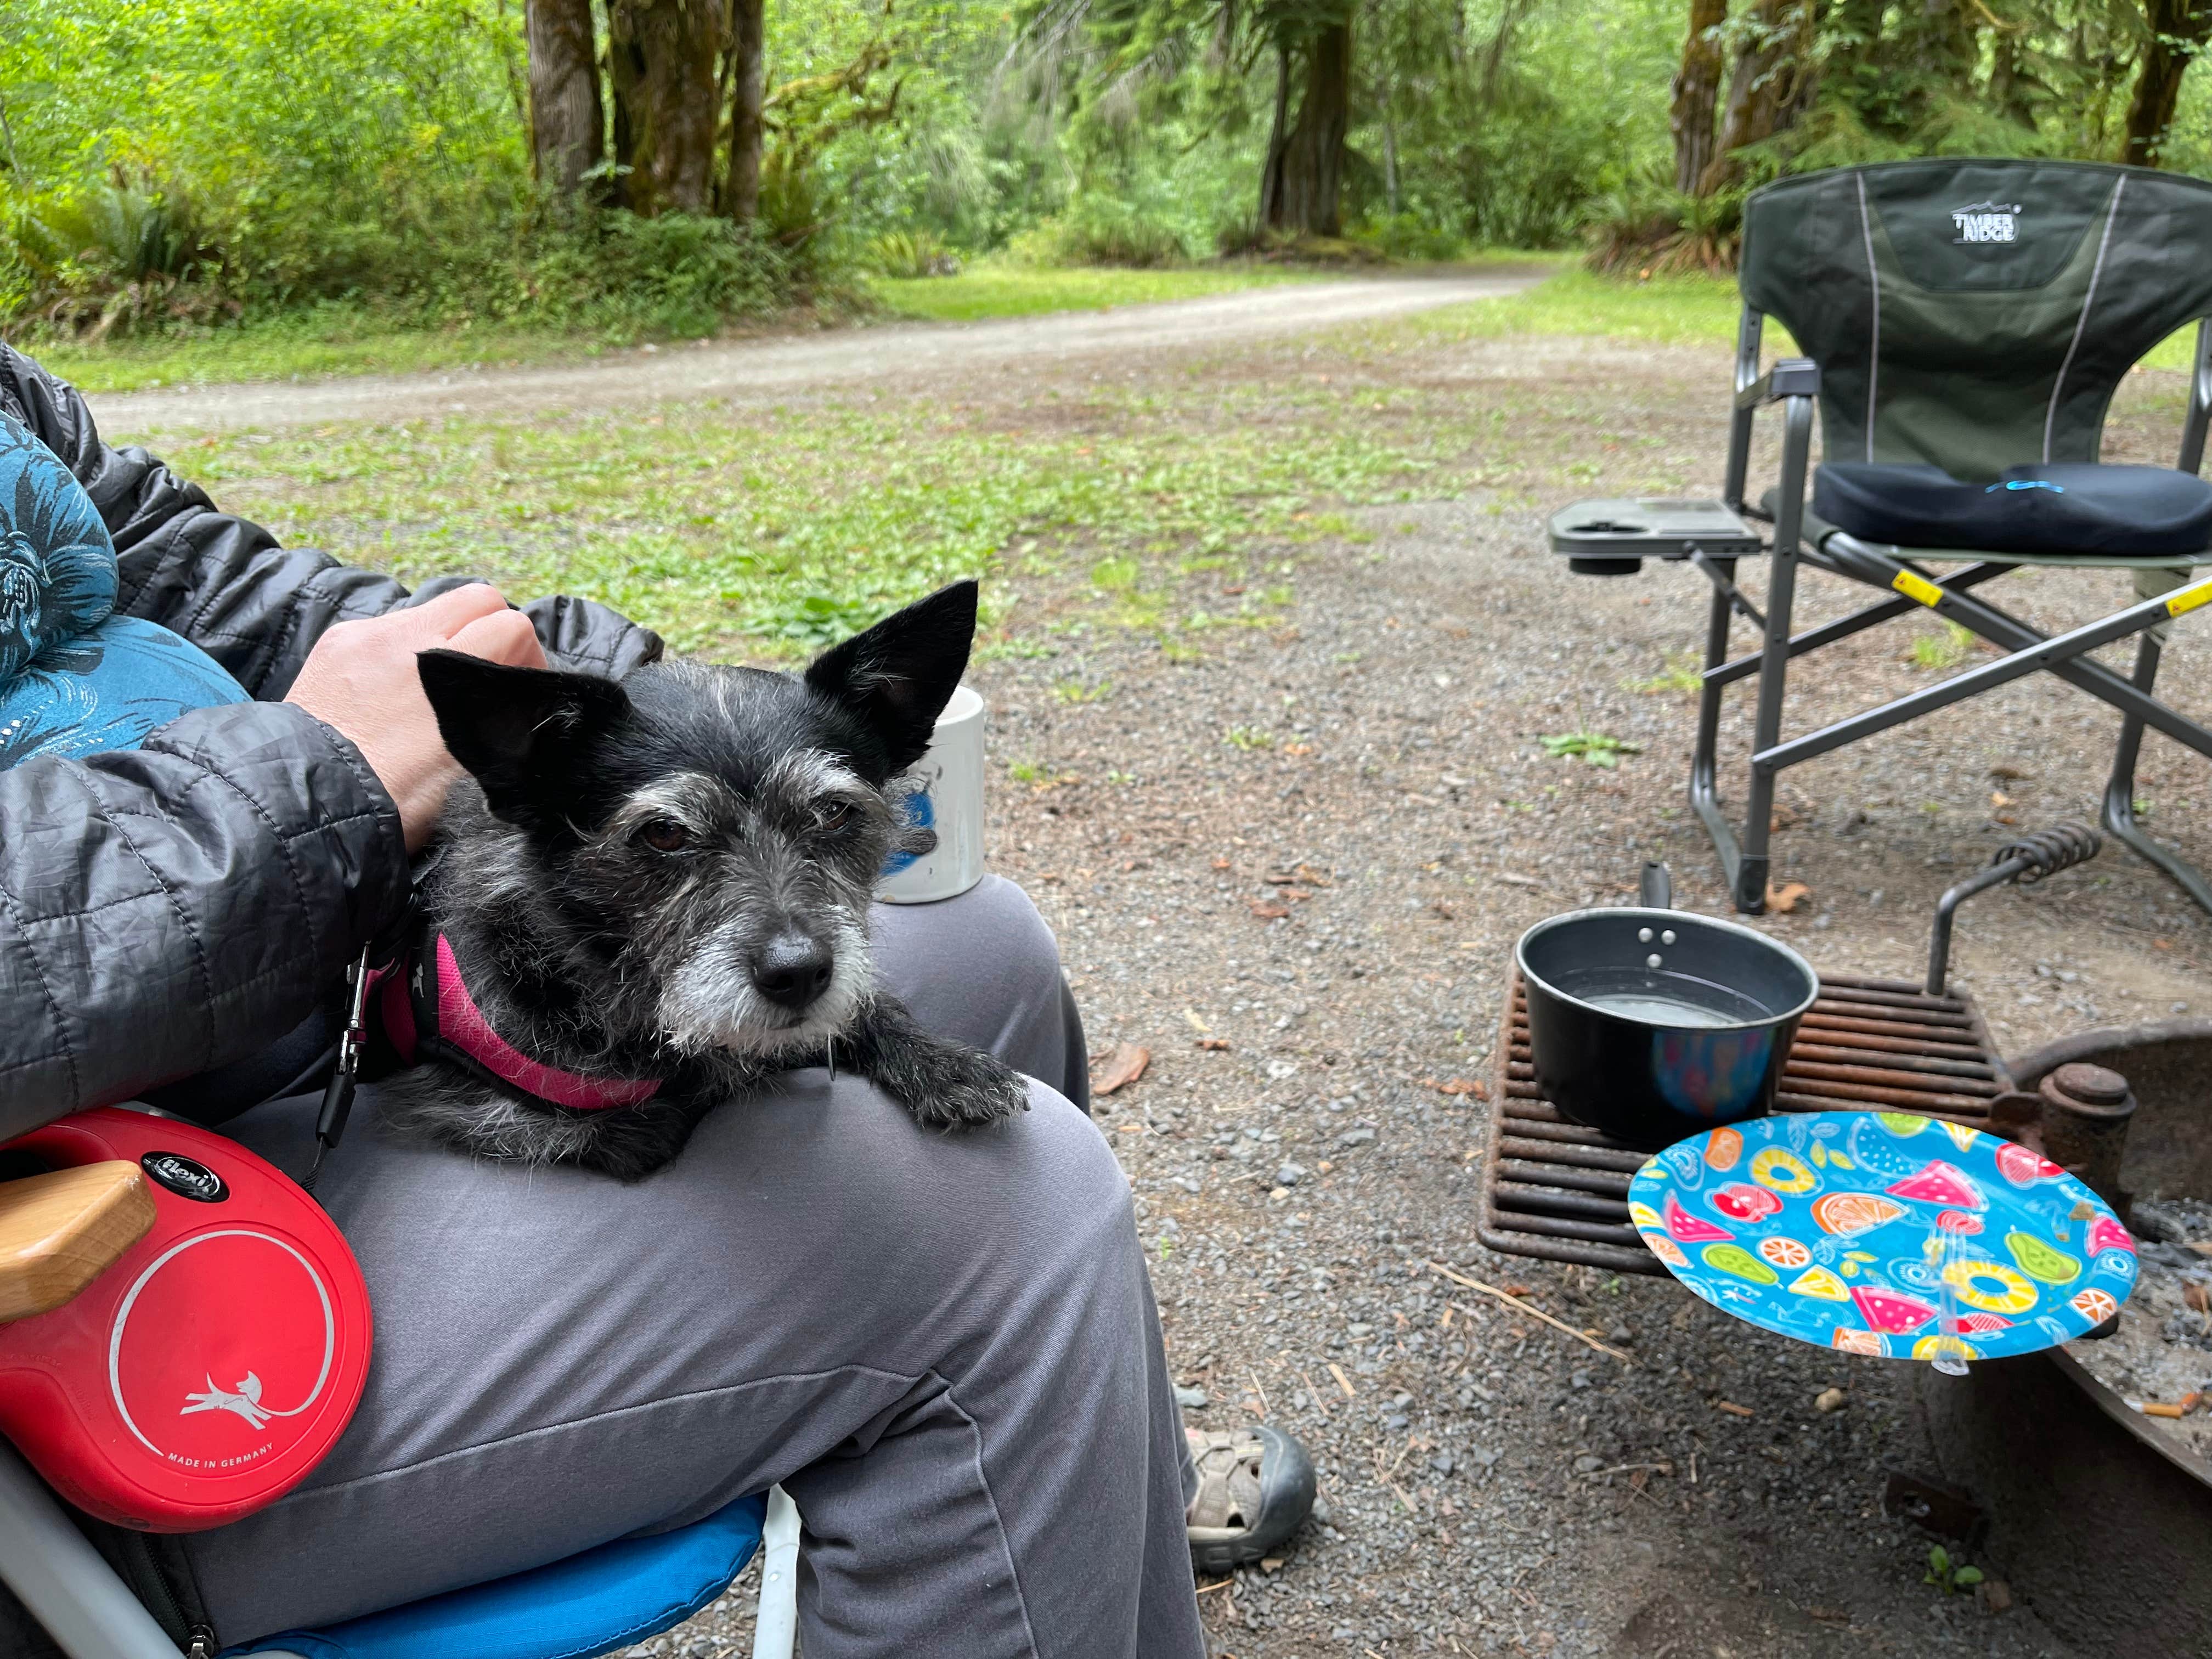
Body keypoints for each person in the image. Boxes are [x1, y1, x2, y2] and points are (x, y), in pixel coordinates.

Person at [0, 345, 1310, 1656]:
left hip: (278, 1016)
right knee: (1023, 1214)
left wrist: (639, 705)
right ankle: (1017, 1387)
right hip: (88, 1263)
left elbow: (218, 587)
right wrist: (316, 785)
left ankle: (1076, 1442)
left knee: (990, 946)